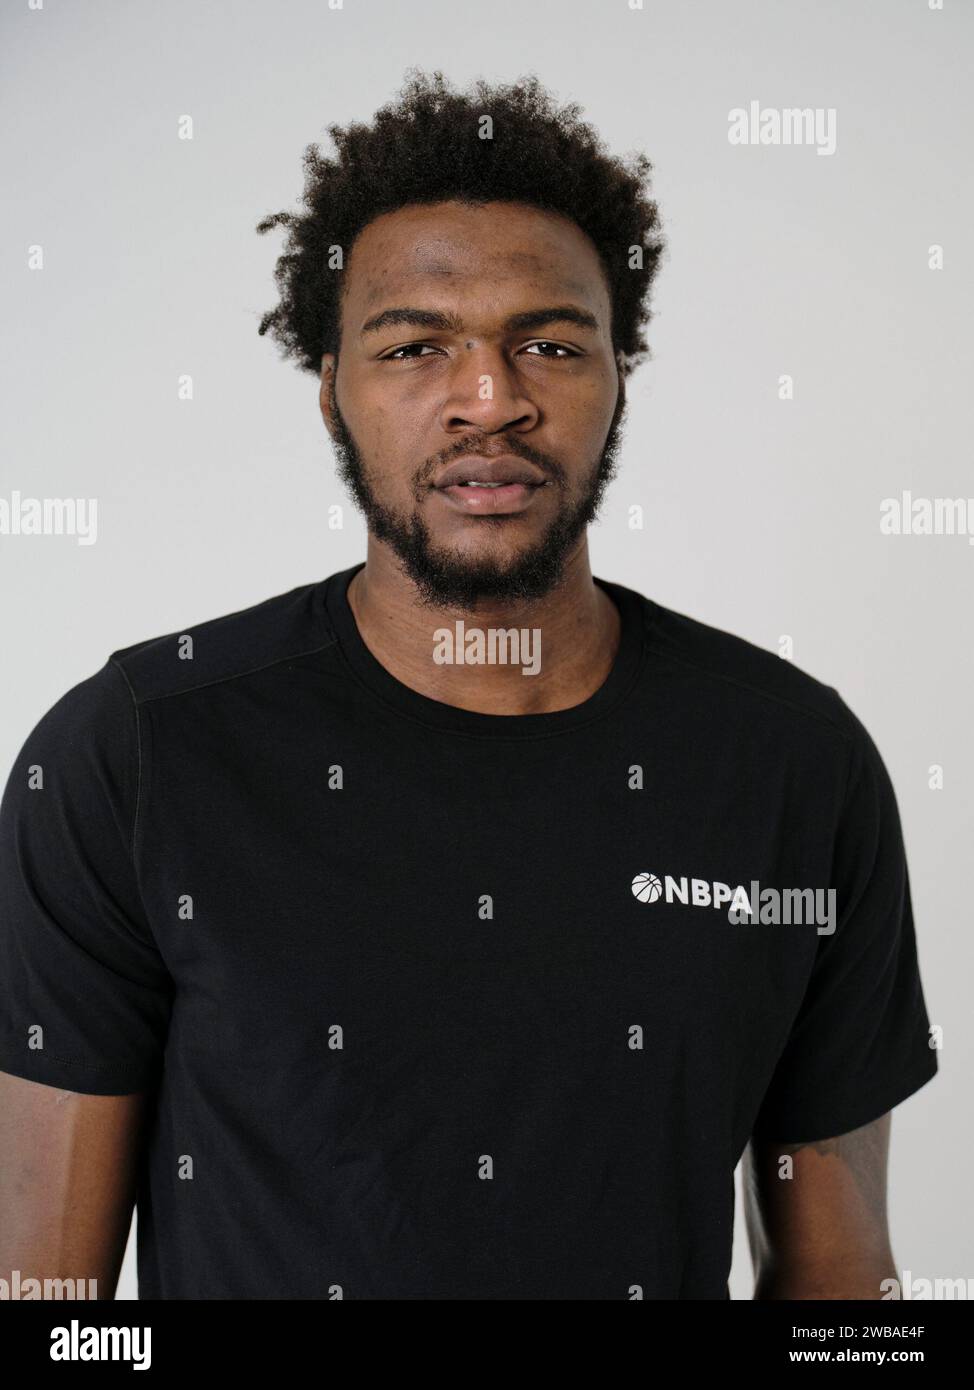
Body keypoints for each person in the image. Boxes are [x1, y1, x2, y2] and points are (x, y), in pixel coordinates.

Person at [0, 70, 938, 1300]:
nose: (489, 401)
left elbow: (841, 1283)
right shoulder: (135, 754)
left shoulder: (790, 762)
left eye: (548, 344)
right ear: (330, 389)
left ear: (618, 377)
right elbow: (43, 1293)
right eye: (414, 348)